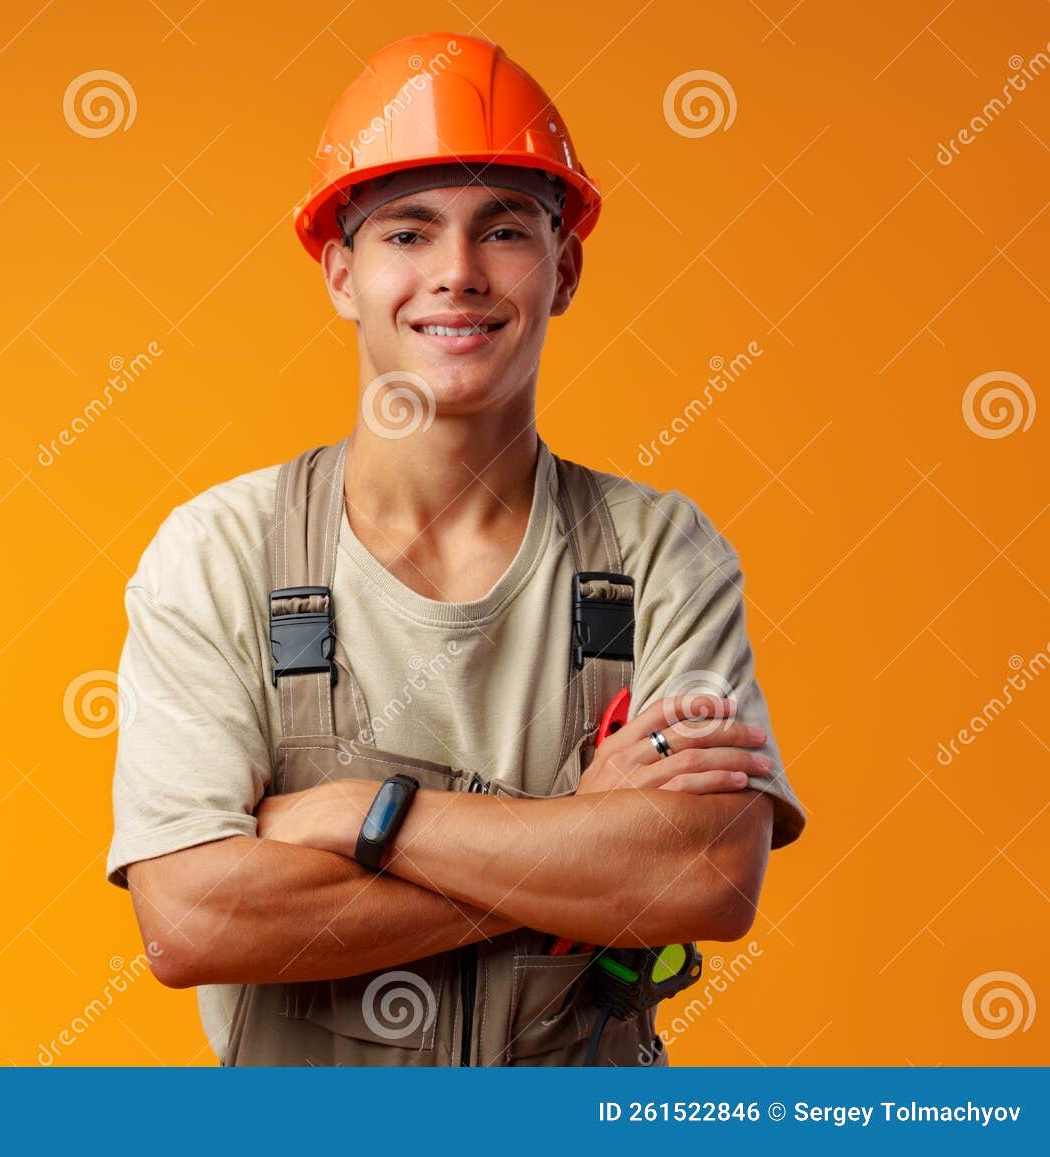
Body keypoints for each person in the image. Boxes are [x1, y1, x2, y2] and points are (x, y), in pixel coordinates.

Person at [103, 31, 807, 1066]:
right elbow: (191, 921)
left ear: (562, 269)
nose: (458, 273)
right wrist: (579, 832)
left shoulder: (662, 552)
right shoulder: (221, 554)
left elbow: (705, 875)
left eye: (504, 230)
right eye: (408, 232)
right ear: (342, 273)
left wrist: (352, 816)